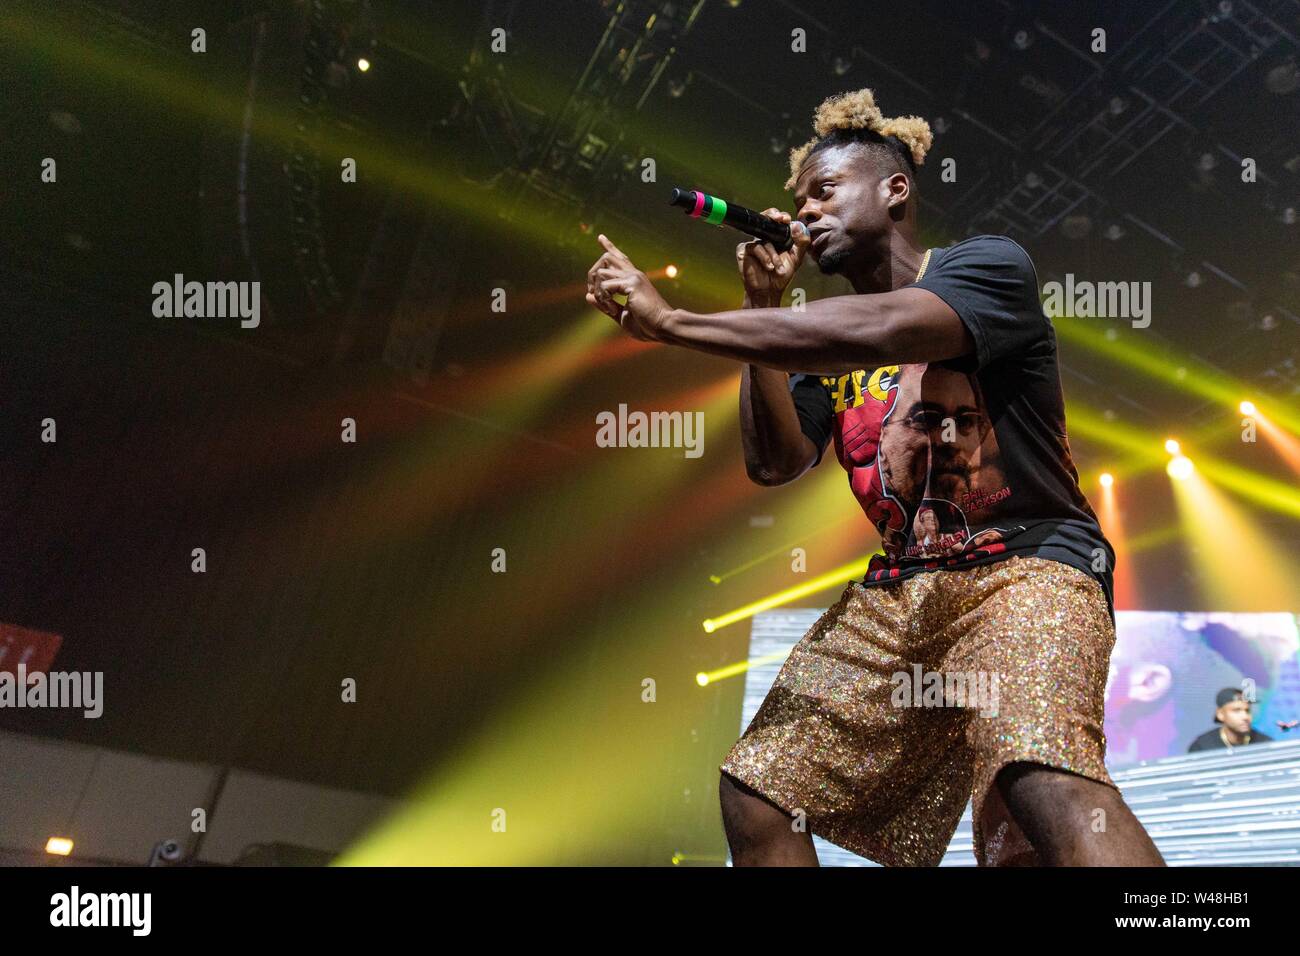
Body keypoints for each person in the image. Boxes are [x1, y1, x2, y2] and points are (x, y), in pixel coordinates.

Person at [585, 88, 1163, 866]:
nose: (805, 212)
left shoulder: (985, 268)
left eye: (824, 192)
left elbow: (886, 326)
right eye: (798, 202)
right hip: (900, 589)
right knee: (760, 791)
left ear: (894, 189)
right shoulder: (819, 344)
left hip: (1024, 567)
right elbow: (774, 462)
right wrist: (764, 309)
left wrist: (673, 324)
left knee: (1036, 779)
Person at [1188, 687, 1275, 752]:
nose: (1245, 716)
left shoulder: (1264, 743)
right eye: (1236, 710)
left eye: (1247, 710)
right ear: (1220, 714)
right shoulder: (1202, 746)